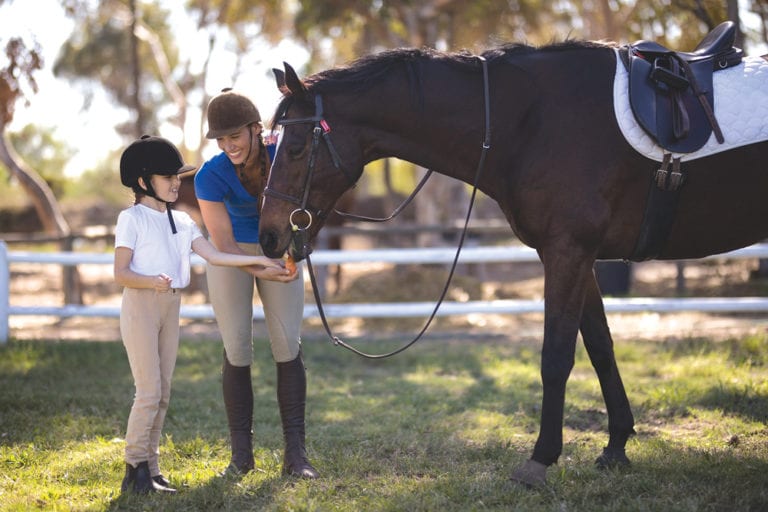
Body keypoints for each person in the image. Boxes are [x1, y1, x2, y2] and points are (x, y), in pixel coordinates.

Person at [114, 135, 288, 494]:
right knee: (148, 391)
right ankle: (134, 468)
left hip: (170, 306)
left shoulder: (181, 221)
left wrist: (260, 261)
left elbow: (215, 255)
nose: (177, 183)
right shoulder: (130, 219)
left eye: (177, 176)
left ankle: (152, 470)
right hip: (141, 306)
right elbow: (121, 273)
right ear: (144, 181)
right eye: (168, 177)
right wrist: (150, 281)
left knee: (163, 392)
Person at [194, 88, 319, 479]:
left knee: (287, 345)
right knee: (236, 348)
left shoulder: (283, 154)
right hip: (233, 255)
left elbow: (309, 202)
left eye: (235, 136)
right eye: (221, 139)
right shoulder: (209, 175)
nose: (228, 145)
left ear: (255, 129)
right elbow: (224, 244)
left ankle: (296, 456)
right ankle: (241, 457)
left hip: (278, 247)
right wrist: (259, 268)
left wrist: (292, 253)